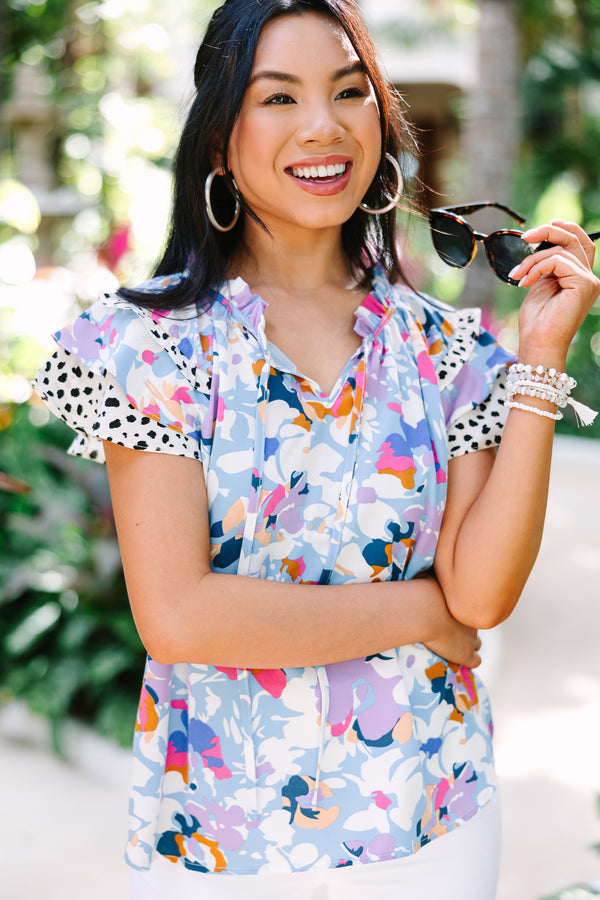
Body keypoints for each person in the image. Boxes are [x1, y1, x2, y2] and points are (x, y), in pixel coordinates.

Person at [33, 1, 599, 897]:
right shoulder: (150, 347)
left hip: (431, 817)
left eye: (348, 91)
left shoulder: (445, 351)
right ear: (218, 138)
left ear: (381, 116)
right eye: (278, 98)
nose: (323, 126)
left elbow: (479, 593)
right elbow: (181, 617)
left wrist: (538, 364)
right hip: (218, 837)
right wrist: (417, 615)